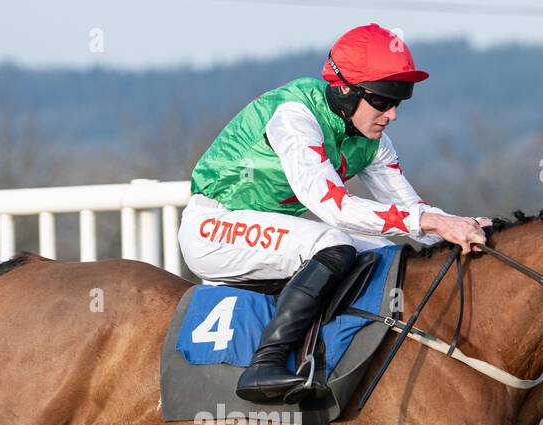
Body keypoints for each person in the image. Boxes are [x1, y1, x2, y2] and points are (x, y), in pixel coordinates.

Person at [180, 23, 493, 404]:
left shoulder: (374, 142)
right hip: (213, 228)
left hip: (268, 230)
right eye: (383, 100)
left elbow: (415, 216)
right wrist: (432, 222)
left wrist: (466, 228)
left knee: (385, 252)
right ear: (345, 89)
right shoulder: (294, 117)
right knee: (333, 242)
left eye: (400, 100)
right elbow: (335, 208)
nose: (392, 114)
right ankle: (265, 364)